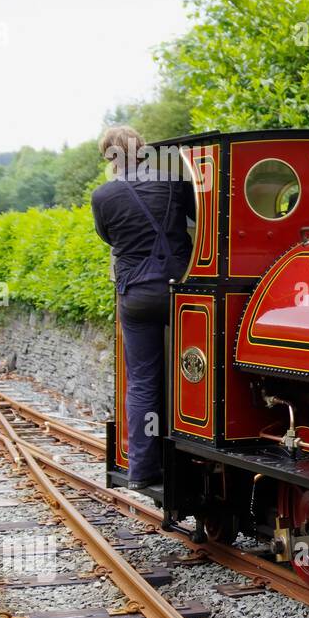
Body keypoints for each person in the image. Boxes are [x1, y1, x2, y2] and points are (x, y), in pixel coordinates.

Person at [90, 126, 194, 489]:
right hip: (183, 293)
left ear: (109, 157)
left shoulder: (102, 196)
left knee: (143, 381)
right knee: (194, 374)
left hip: (135, 293)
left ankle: (142, 470)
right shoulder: (172, 183)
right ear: (143, 150)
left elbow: (108, 237)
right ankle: (191, 453)